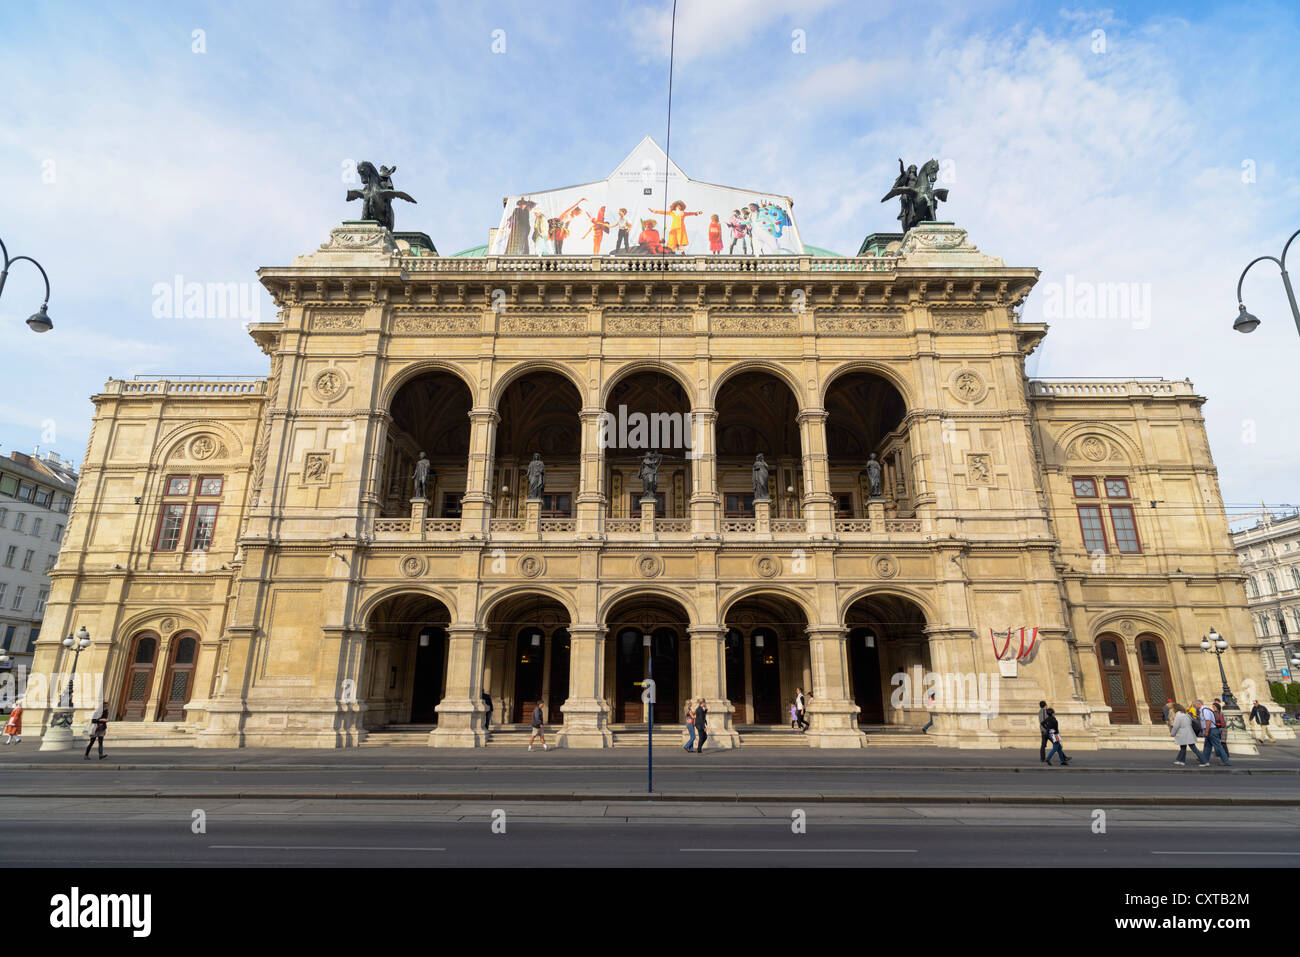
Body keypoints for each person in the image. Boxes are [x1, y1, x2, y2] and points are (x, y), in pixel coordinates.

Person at [1195, 698, 1230, 767]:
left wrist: (1206, 731)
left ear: (1199, 704)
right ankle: (1205, 761)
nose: (1194, 706)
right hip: (1210, 730)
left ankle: (1226, 761)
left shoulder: (1205, 710)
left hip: (1211, 730)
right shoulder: (1204, 710)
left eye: (1194, 705)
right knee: (1207, 747)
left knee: (1218, 746)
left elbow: (1208, 721)